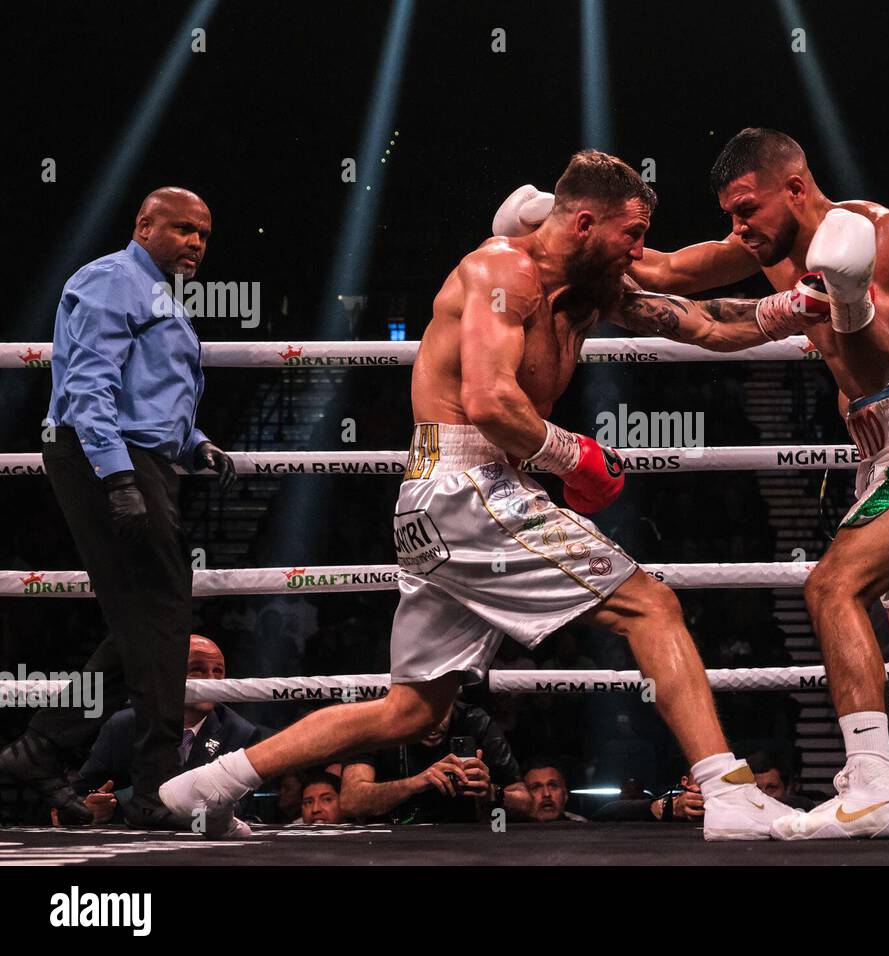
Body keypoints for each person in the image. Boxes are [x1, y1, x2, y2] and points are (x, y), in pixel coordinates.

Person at [162, 150, 835, 840]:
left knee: (410, 712)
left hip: (446, 498)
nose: (641, 251)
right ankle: (725, 791)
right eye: (631, 234)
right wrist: (574, 454)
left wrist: (798, 306)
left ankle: (211, 782)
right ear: (581, 223)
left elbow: (704, 324)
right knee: (651, 605)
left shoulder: (592, 288)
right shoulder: (500, 271)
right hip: (466, 485)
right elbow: (488, 399)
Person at [498, 129, 889, 839]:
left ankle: (873, 785)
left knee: (831, 588)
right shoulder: (765, 247)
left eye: (747, 210)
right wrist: (548, 233)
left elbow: (875, 367)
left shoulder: (877, 234)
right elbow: (671, 271)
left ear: (795, 188)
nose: (738, 230)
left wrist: (847, 297)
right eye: (730, 216)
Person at [0, 187, 236, 829]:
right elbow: (89, 387)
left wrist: (196, 445)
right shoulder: (110, 280)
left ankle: (41, 749)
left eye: (204, 235)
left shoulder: (163, 298)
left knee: (146, 623)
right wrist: (118, 477)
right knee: (161, 619)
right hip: (103, 456)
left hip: (142, 461)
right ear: (145, 225)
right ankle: (153, 788)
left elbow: (155, 397)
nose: (195, 243)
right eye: (184, 229)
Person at [71, 635, 261, 823]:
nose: (210, 681)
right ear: (169, 674)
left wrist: (158, 811)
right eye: (197, 670)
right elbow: (80, 793)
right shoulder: (123, 726)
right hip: (132, 842)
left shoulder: (239, 733)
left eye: (217, 671)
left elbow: (236, 809)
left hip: (200, 841)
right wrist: (92, 807)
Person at [340, 697, 530, 822]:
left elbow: (526, 803)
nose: (433, 723)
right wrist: (416, 783)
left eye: (440, 710)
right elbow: (351, 800)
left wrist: (492, 792)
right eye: (422, 713)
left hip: (459, 842)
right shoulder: (378, 725)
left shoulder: (474, 722)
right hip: (389, 841)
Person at [521, 759, 586, 822]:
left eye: (553, 786)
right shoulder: (512, 829)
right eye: (535, 788)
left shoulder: (582, 826)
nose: (546, 794)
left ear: (565, 794)